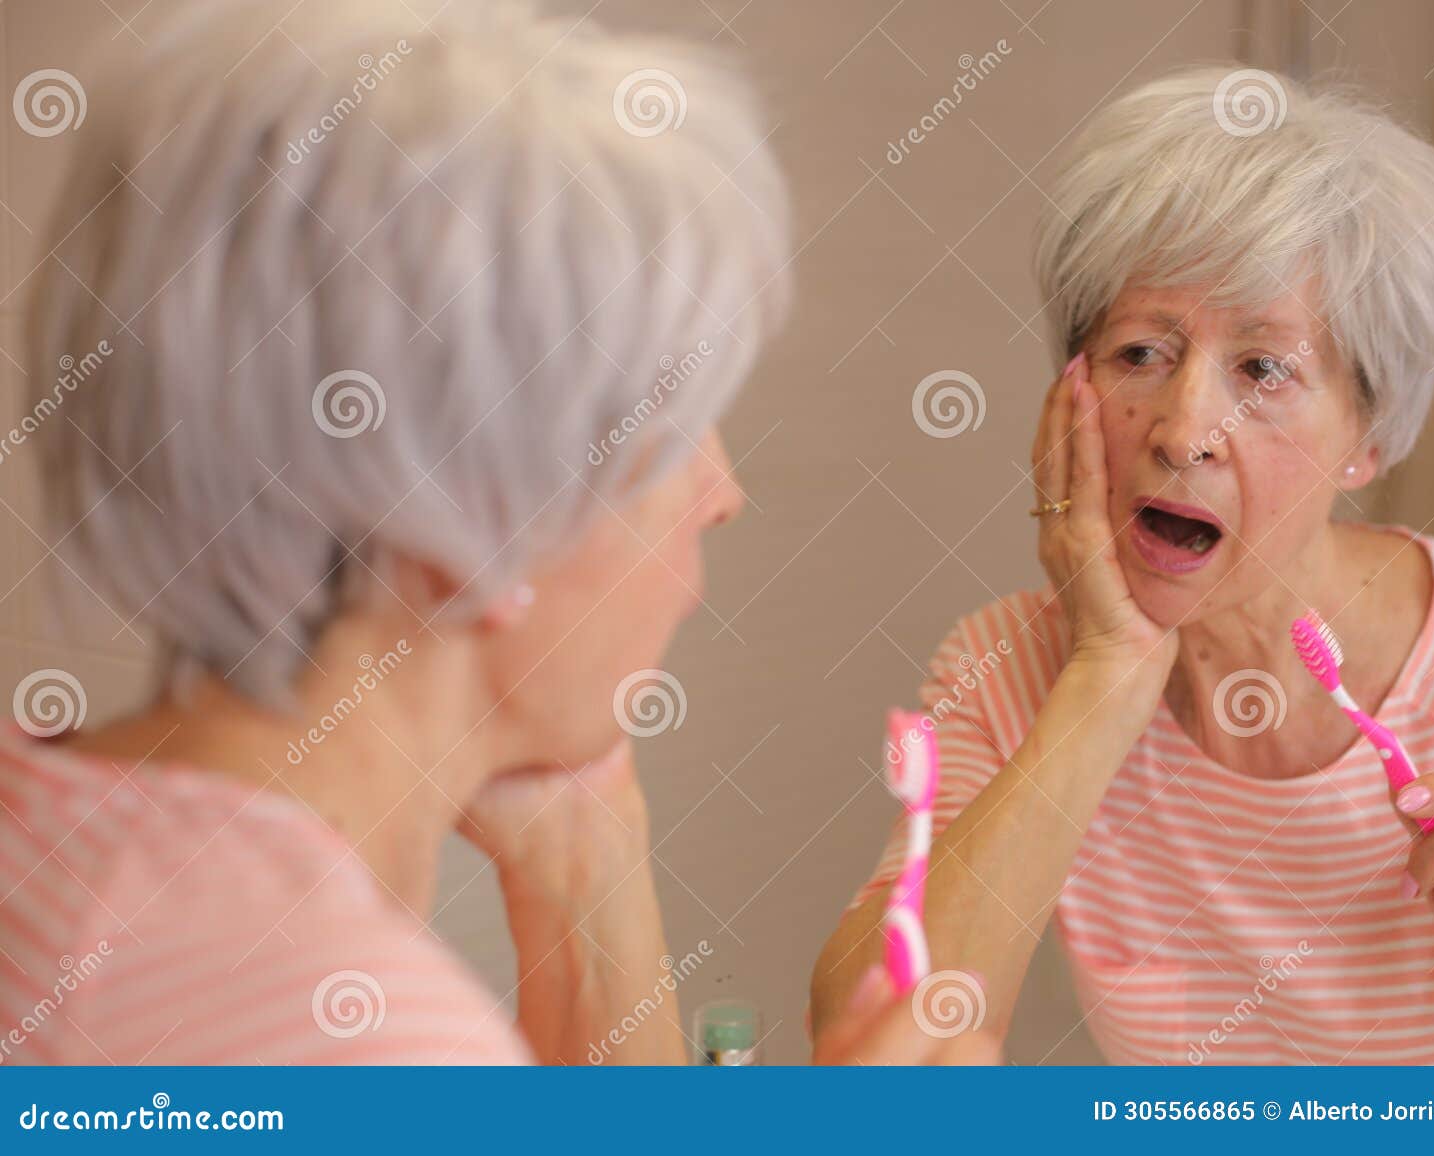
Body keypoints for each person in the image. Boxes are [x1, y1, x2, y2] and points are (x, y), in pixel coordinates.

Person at [0, 0, 996, 1066]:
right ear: (466, 521)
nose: (723, 491)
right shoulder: (365, 1043)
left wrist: (581, 835)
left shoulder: (60, 846)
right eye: (671, 426)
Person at [813, 66, 1434, 1064]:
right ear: (1071, 394)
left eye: (1263, 370)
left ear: (1369, 433)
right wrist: (1104, 676)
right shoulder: (1009, 671)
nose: (1185, 432)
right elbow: (867, 1062)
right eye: (1140, 352)